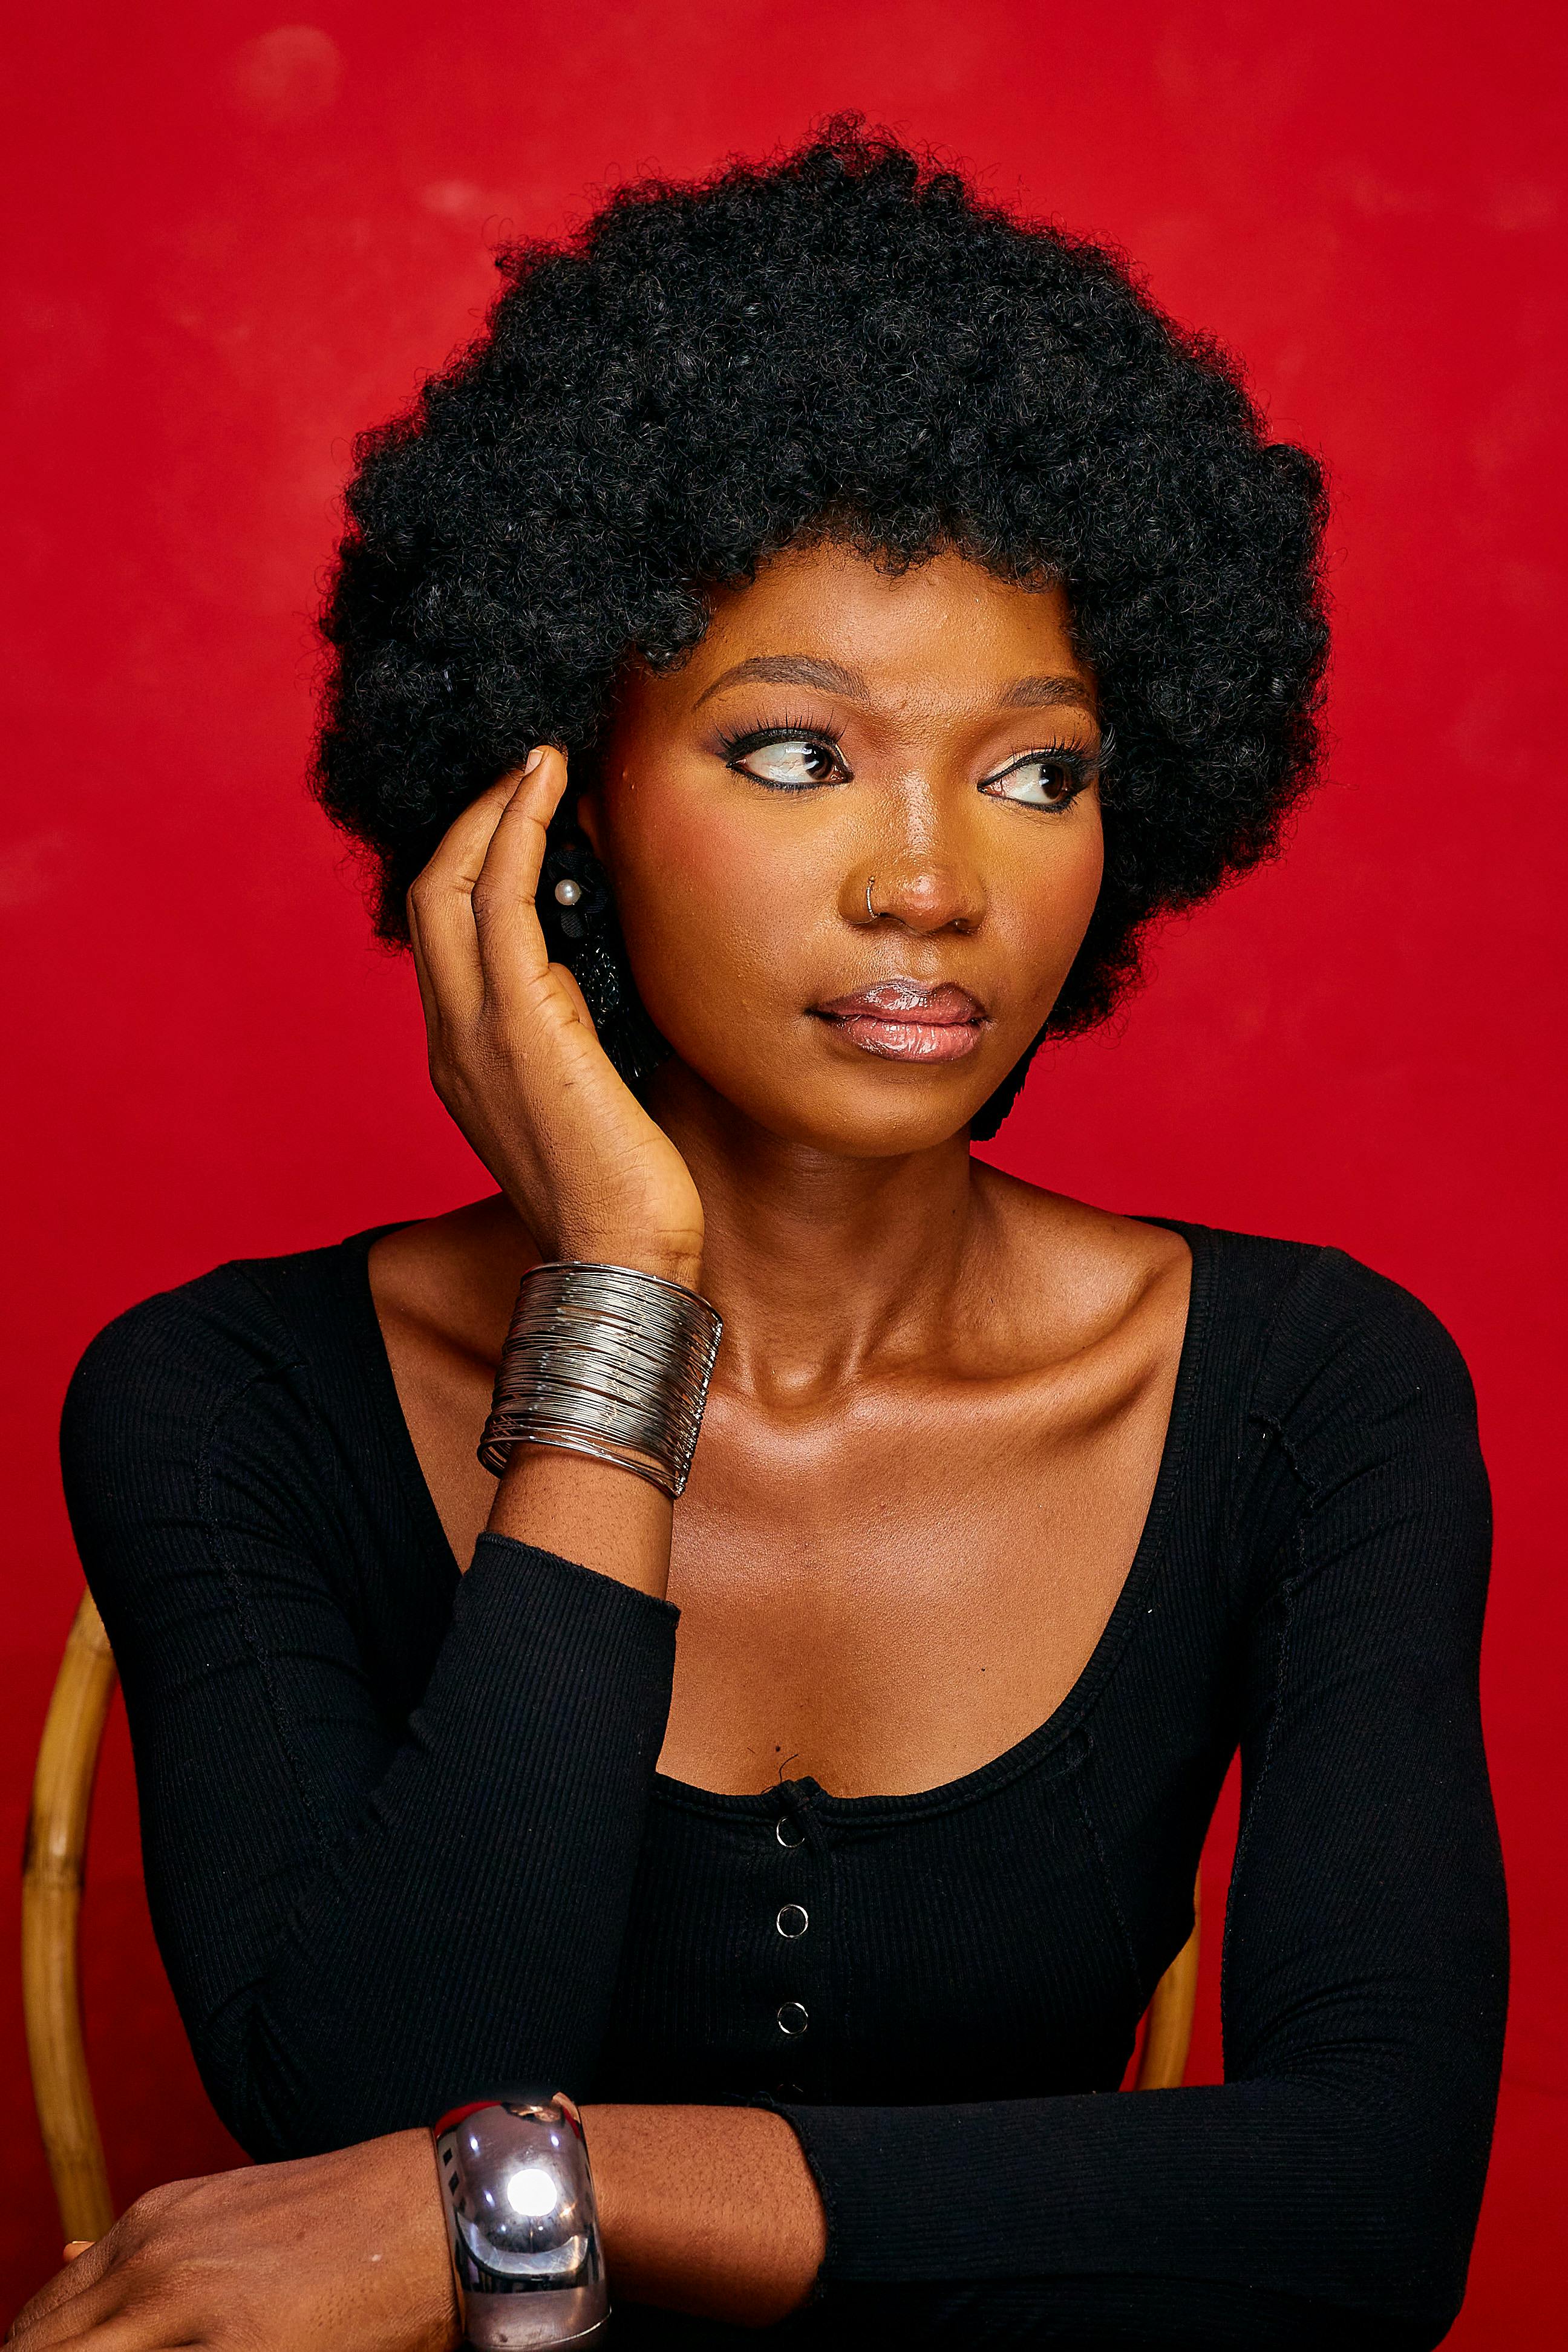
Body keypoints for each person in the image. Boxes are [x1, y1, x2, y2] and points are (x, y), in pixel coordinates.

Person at [18, 124, 1504, 2352]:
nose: (934, 881)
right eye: (798, 754)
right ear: (559, 790)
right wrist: (622, 1291)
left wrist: (556, 2193)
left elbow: (1368, 2207)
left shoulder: (1308, 1395)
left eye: (1036, 769)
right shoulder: (228, 1402)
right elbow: (361, 2107)